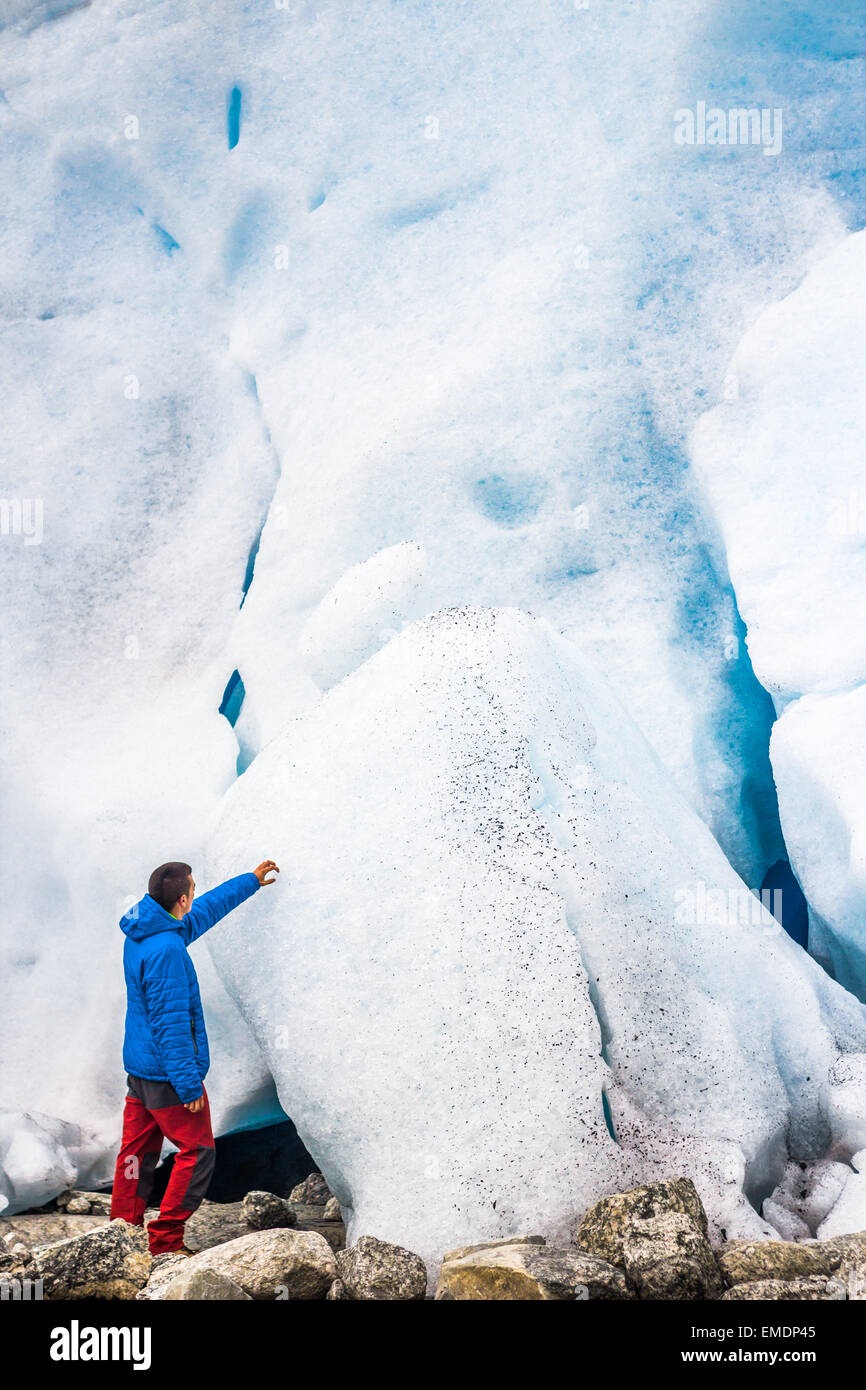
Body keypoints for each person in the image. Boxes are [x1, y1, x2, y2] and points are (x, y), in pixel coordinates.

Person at [109, 859, 279, 1256]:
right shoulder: (167, 951)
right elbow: (171, 1023)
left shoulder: (144, 931)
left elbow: (201, 913)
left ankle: (121, 1234)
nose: (195, 898)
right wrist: (187, 1083)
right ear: (181, 898)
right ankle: (165, 1240)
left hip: (141, 1070)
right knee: (197, 1152)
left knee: (136, 1153)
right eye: (193, 891)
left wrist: (249, 882)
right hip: (169, 1076)